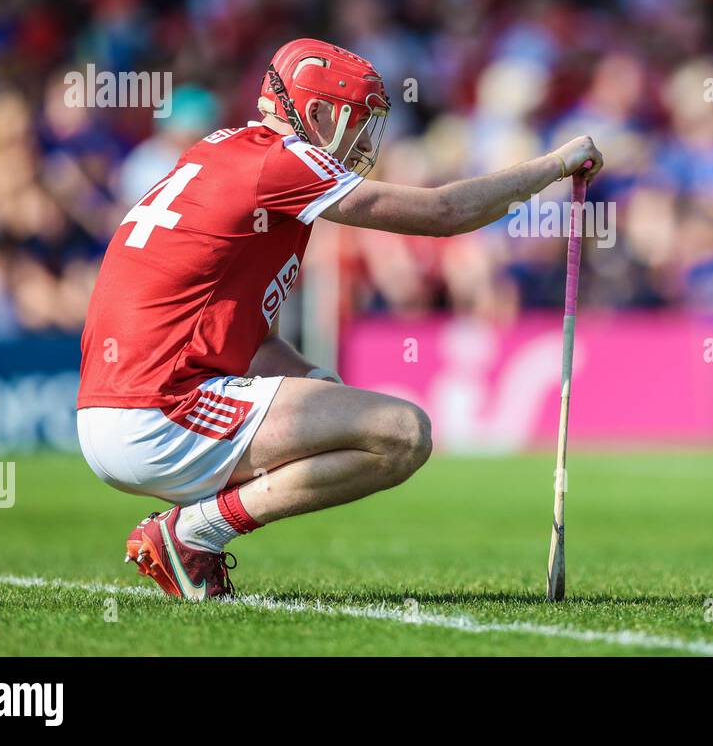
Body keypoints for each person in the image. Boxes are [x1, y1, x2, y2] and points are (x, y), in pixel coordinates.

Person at [76, 38, 603, 599]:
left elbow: (256, 342)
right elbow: (443, 213)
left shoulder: (225, 153)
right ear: (321, 114)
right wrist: (553, 165)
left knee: (372, 427)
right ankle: (192, 535)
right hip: (158, 411)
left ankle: (193, 533)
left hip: (113, 413)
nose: (364, 143)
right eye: (359, 123)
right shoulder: (283, 160)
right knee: (403, 434)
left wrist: (321, 387)